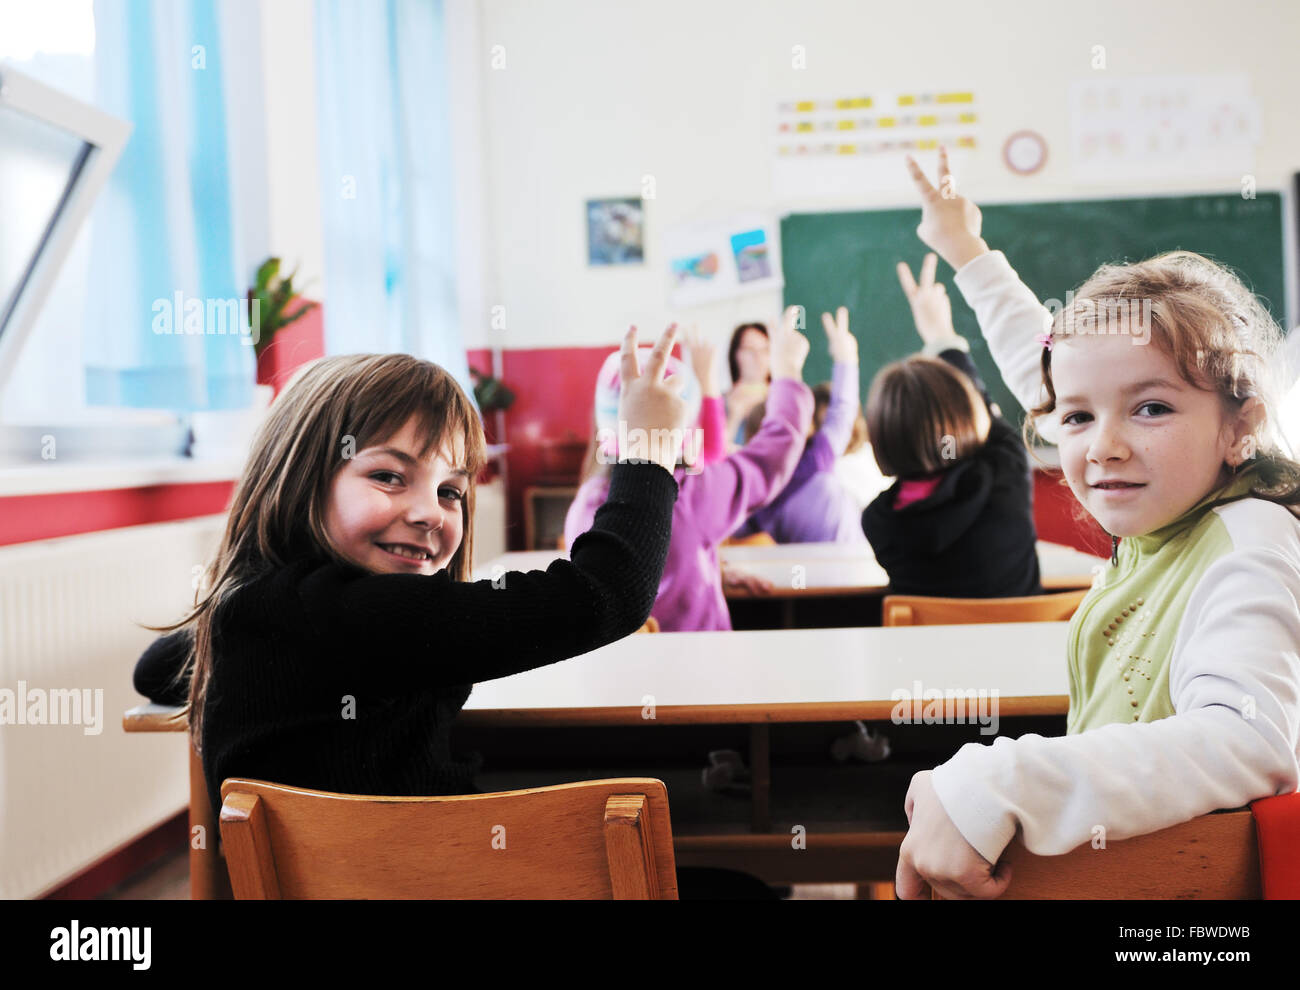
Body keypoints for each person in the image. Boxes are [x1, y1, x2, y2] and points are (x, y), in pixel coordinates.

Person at [894, 148, 1300, 899]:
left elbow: (1249, 738)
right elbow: (1041, 364)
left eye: (1152, 407)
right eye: (1076, 417)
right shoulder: (1172, 508)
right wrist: (964, 250)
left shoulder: (1249, 542)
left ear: (1241, 425)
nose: (1102, 444)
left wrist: (1005, 776)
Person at [132, 329, 686, 828]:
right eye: (389, 476)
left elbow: (157, 668)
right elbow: (610, 589)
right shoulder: (373, 616)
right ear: (297, 478)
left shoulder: (253, 610)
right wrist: (649, 447)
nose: (430, 513)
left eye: (450, 491)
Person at [565, 307, 814, 631]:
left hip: (618, 677)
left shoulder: (583, 504)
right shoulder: (691, 495)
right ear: (682, 429)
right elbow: (772, 455)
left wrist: (705, 569)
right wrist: (788, 373)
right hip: (702, 672)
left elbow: (636, 565)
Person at [860, 251, 1043, 597]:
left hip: (924, 652)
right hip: (1019, 648)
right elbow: (984, 411)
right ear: (967, 411)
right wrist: (940, 334)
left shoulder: (879, 522)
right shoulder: (1006, 471)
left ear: (882, 435)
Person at [733, 306, 868, 545]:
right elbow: (843, 410)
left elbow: (717, 523)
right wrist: (846, 357)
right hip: (855, 567)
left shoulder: (759, 496)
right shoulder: (818, 457)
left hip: (809, 577)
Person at [724, 321, 772, 450]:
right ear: (735, 354)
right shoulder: (718, 402)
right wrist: (734, 417)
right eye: (749, 349)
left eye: (765, 350)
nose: (758, 357)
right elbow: (711, 457)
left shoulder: (781, 400)